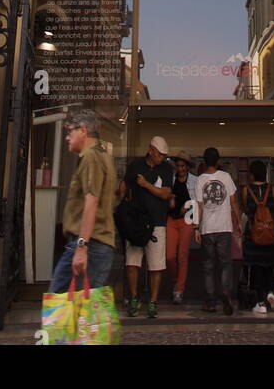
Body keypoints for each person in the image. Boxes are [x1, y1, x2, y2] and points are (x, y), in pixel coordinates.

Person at [49, 108, 117, 293]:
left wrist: (81, 247)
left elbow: (91, 201)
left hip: (90, 243)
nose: (67, 137)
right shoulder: (101, 155)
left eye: (70, 130)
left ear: (83, 130)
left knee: (60, 309)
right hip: (96, 243)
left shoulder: (91, 157)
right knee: (85, 315)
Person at [118, 134, 173, 318]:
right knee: (132, 262)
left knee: (156, 264)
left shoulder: (166, 169)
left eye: (163, 156)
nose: (161, 158)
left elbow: (165, 194)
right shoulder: (136, 165)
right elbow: (124, 186)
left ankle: (153, 301)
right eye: (159, 155)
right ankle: (134, 297)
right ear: (150, 150)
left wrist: (146, 185)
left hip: (157, 221)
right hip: (135, 221)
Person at [193, 146, 243, 315]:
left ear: (204, 162)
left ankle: (210, 301)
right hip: (224, 227)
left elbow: (199, 206)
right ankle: (226, 293)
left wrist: (196, 228)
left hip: (207, 228)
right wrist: (238, 222)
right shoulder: (226, 176)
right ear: (218, 161)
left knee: (208, 266)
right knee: (225, 264)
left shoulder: (200, 180)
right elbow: (234, 201)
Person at [241, 160, 274, 315]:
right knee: (270, 265)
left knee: (256, 267)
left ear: (252, 174)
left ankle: (260, 302)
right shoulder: (272, 189)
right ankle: (271, 291)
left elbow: (245, 208)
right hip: (270, 234)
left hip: (254, 235)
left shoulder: (246, 190)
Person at [166, 148, 197, 305]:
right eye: (178, 166)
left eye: (183, 166)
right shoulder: (170, 180)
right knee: (169, 256)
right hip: (171, 220)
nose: (181, 169)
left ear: (188, 167)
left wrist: (189, 207)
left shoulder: (194, 181)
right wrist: (169, 201)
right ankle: (176, 280)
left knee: (182, 256)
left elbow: (198, 203)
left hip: (186, 220)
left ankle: (179, 289)